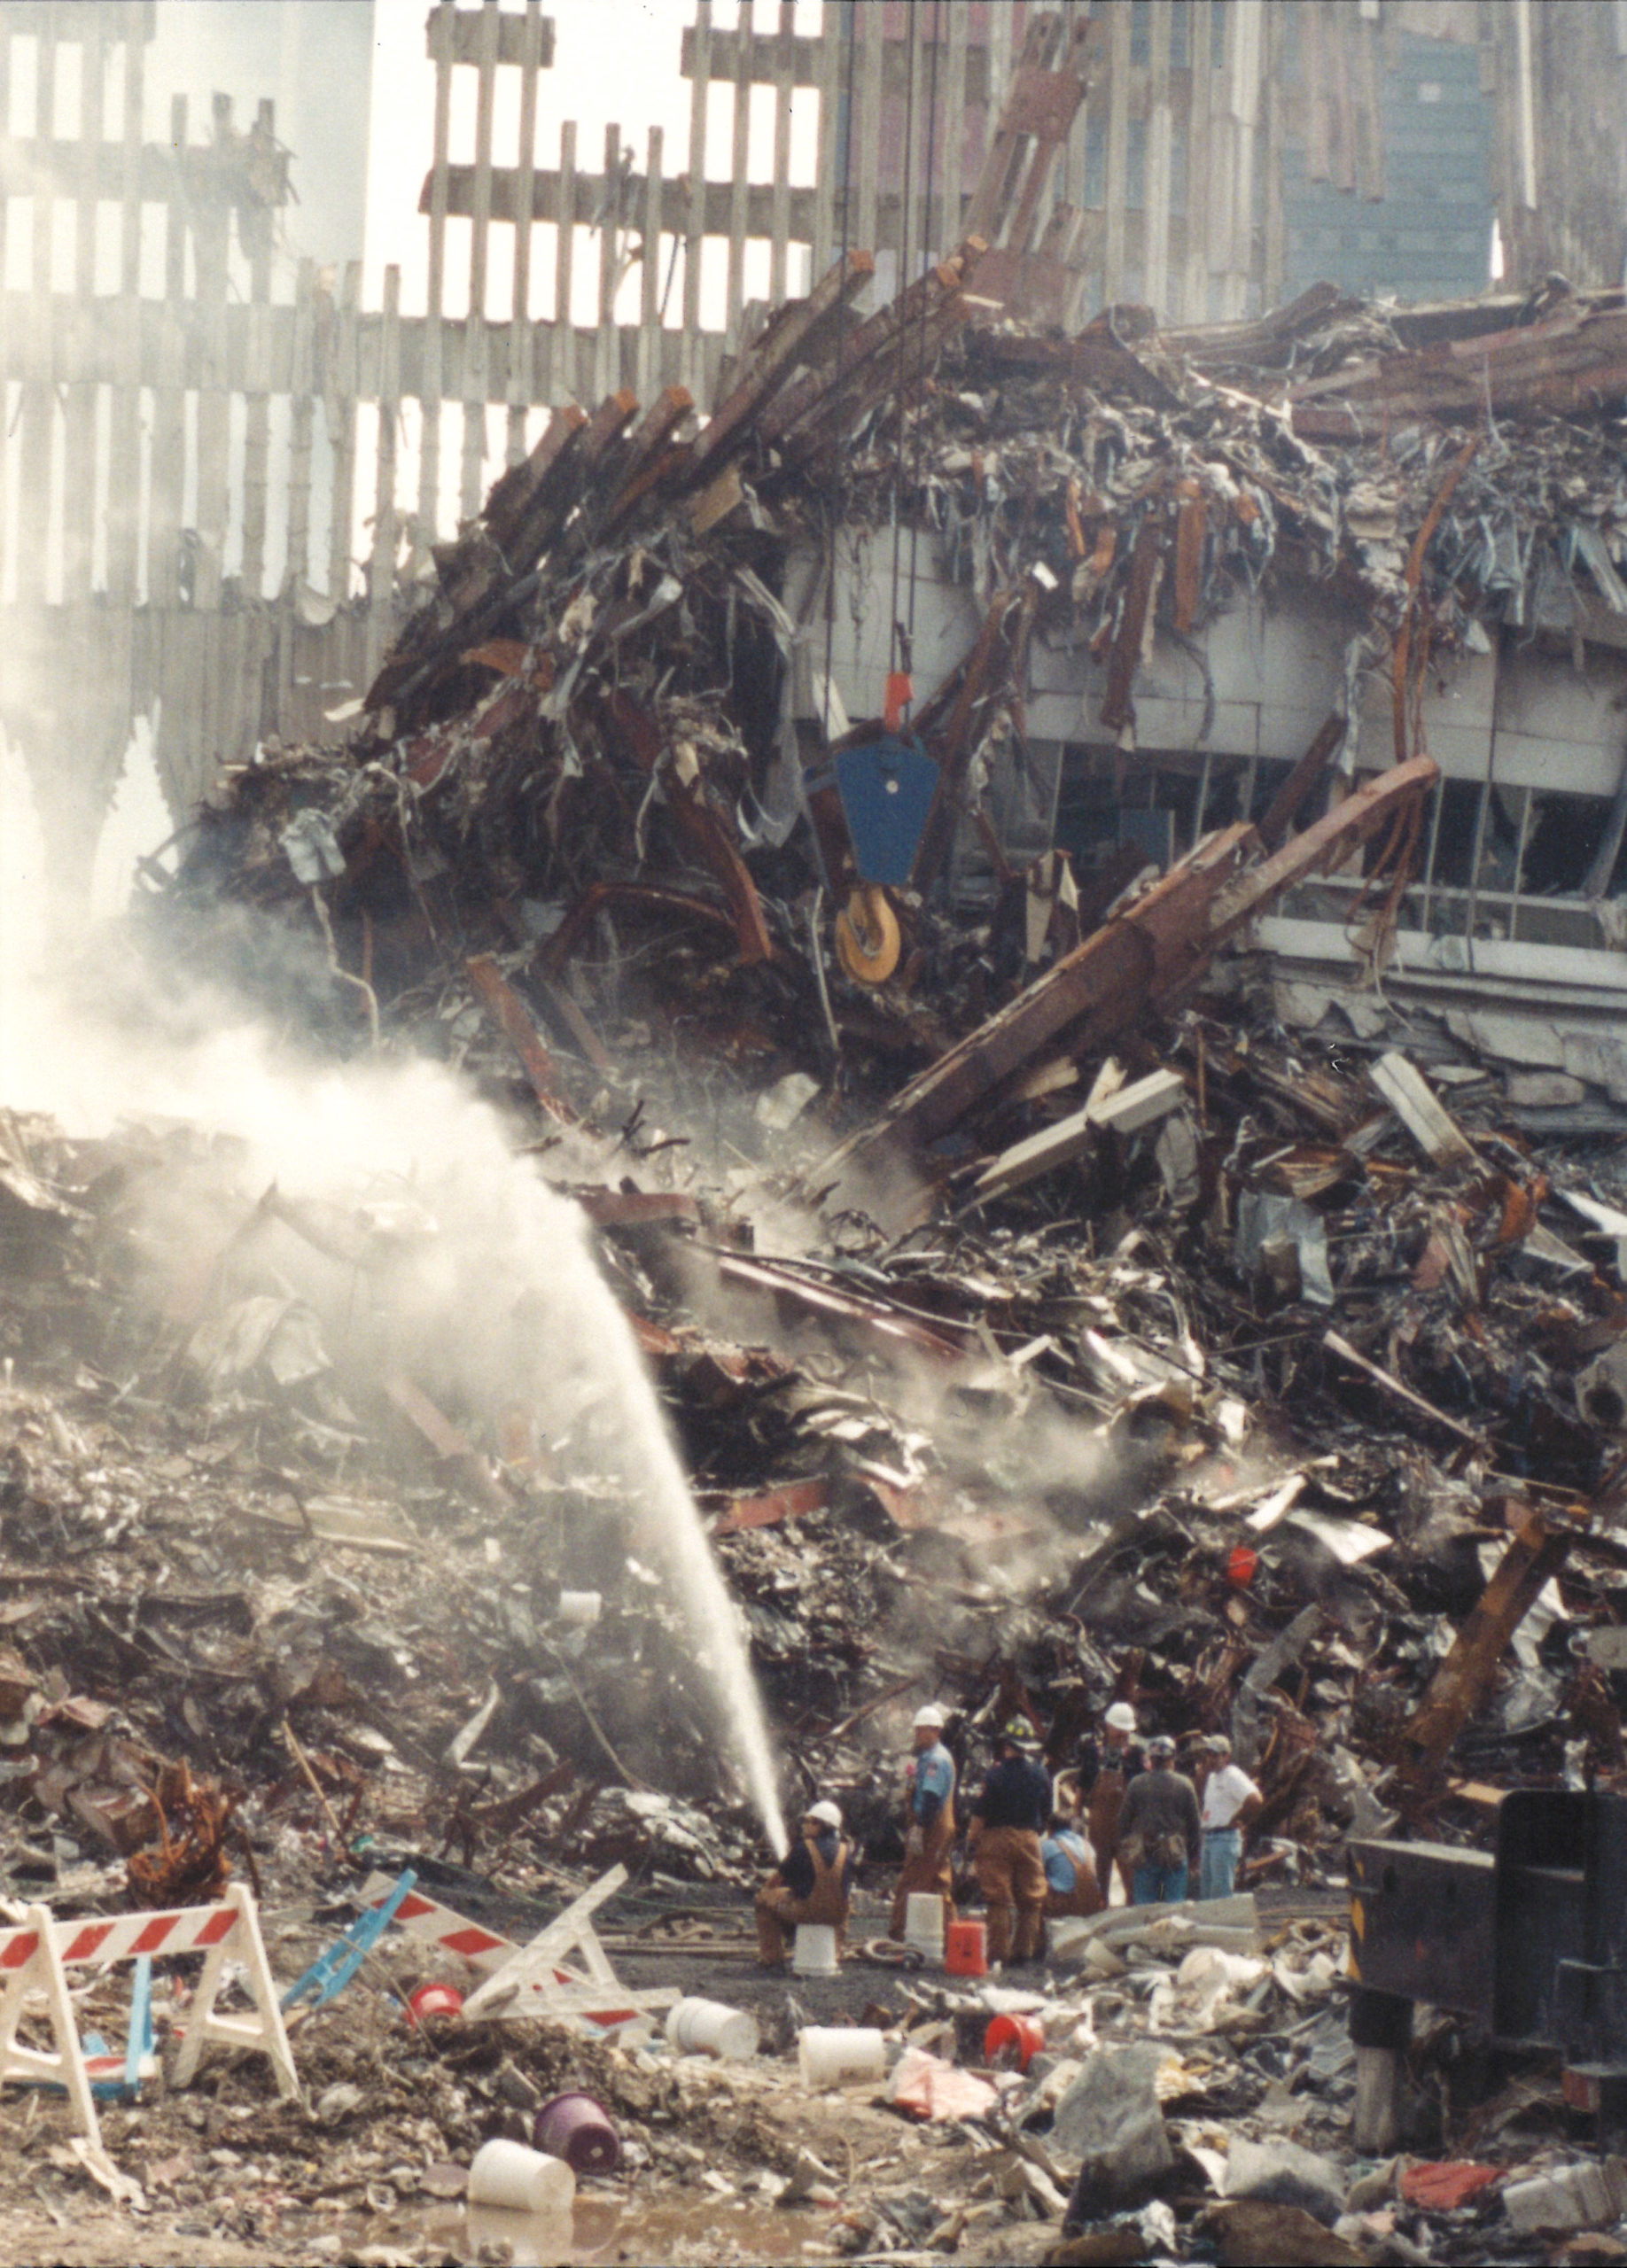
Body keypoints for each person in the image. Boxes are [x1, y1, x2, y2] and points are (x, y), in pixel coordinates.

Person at [966, 1720, 1052, 1965]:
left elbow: (981, 1812)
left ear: (1007, 1744)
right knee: (1032, 1898)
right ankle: (1023, 1952)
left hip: (997, 1838)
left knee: (998, 1897)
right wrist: (1035, 1831)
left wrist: (971, 1840)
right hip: (1029, 1838)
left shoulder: (995, 1774)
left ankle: (998, 1954)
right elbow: (1047, 1810)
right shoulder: (1040, 1773)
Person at [755, 1800, 852, 1968]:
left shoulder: (803, 1848)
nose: (804, 1825)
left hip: (807, 1912)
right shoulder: (846, 1850)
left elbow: (774, 1881)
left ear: (820, 1825)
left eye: (808, 1821)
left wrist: (770, 1894)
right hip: (838, 1916)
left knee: (763, 1899)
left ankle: (771, 1958)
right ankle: (835, 1952)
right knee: (842, 1902)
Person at [888, 1704, 958, 1939]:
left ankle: (902, 1933)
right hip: (940, 1826)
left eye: (922, 1730)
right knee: (939, 1881)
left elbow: (931, 1796)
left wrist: (920, 1827)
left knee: (914, 1879)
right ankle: (950, 1936)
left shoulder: (935, 1761)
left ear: (935, 1731)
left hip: (931, 1827)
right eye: (916, 1730)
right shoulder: (934, 1757)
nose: (917, 1735)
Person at [1117, 1735, 1201, 1906]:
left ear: (1152, 1759)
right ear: (1172, 1759)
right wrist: (1194, 1855)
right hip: (1176, 1853)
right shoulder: (1185, 1784)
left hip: (1145, 1853)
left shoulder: (1137, 1784)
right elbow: (1195, 1825)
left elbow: (1123, 1821)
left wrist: (1127, 1848)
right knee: (1175, 1907)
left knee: (1144, 1908)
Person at [1076, 1701, 1144, 1899]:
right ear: (1108, 1726)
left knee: (1132, 1885)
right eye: (1119, 1731)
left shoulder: (1137, 1754)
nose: (1124, 1736)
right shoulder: (1093, 1753)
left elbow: (1142, 1793)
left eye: (1126, 1732)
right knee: (1098, 1886)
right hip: (1099, 1830)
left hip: (1128, 1830)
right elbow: (1081, 1791)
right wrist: (1077, 1823)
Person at [1197, 1733, 1262, 1900]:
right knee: (1206, 1893)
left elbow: (1255, 1799)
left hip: (1224, 1837)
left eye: (1215, 1755)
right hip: (1210, 1837)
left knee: (1220, 1895)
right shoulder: (1211, 1777)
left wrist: (1237, 1818)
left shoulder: (1232, 1774)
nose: (1210, 1759)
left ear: (1226, 1756)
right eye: (1208, 1754)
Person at [1040, 1809, 1103, 1922]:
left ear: (1050, 1828)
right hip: (1092, 1903)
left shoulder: (1048, 1845)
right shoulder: (1087, 1845)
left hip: (1064, 1905)